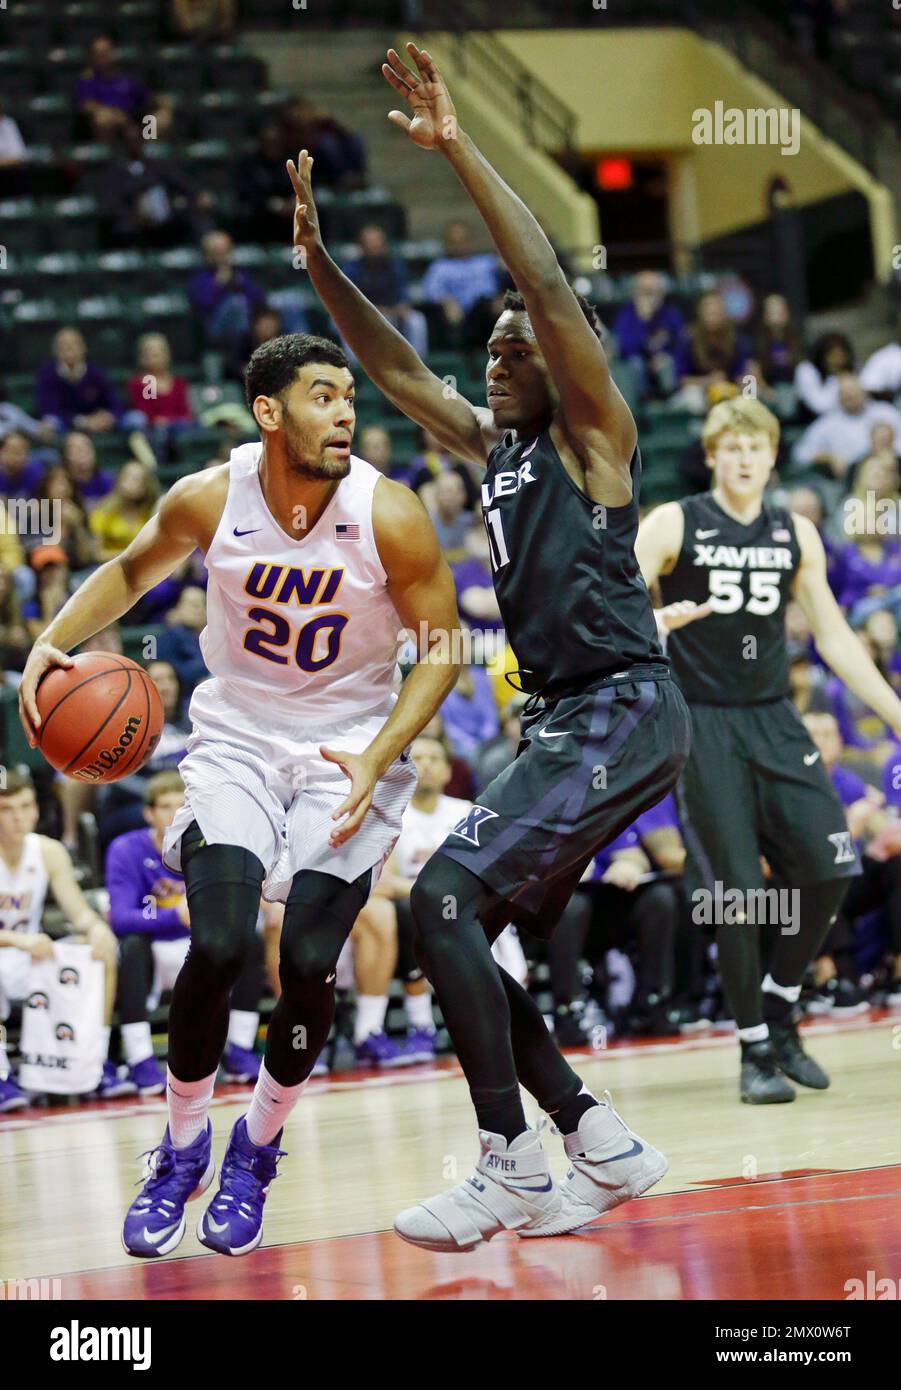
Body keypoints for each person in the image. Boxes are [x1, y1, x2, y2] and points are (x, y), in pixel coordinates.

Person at [293, 42, 710, 1252]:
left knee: (441, 897)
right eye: (494, 344)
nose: (499, 350)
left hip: (623, 707)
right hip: (566, 722)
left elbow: (547, 285)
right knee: (460, 924)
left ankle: (510, 1161)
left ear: (561, 352)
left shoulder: (594, 439)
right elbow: (395, 367)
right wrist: (321, 268)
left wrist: (455, 145)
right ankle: (595, 1140)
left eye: (518, 341)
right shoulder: (497, 446)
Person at [18, 330, 461, 1259]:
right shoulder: (211, 497)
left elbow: (445, 647)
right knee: (217, 943)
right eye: (322, 395)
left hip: (350, 752)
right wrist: (51, 642)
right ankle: (181, 1151)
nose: (345, 411)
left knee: (304, 962)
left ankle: (255, 1147)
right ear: (269, 411)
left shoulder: (391, 514)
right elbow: (132, 571)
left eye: (349, 396)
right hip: (238, 745)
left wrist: (385, 751)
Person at [636, 396, 901, 1104]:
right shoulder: (674, 521)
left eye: (757, 448)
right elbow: (613, 594)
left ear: (772, 457)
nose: (745, 458)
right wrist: (652, 621)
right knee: (738, 895)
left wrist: (894, 712)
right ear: (714, 454)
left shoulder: (796, 532)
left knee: (831, 863)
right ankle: (753, 1049)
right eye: (732, 448)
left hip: (775, 715)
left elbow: (835, 638)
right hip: (702, 720)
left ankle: (780, 1003)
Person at [349, 733, 527, 1066]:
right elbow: (384, 884)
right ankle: (421, 1025)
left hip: (467, 906)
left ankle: (511, 1014)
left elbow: (490, 871)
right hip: (416, 912)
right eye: (418, 758)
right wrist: (433, 891)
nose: (427, 766)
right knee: (411, 910)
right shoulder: (388, 814)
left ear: (448, 771)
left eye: (435, 759)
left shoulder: (469, 812)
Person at [106, 772, 265, 1094]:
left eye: (183, 807)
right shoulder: (127, 849)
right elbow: (121, 918)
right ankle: (140, 1059)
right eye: (166, 806)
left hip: (205, 945)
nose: (175, 815)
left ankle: (240, 1050)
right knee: (131, 947)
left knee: (251, 941)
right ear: (149, 813)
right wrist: (174, 916)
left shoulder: (215, 846)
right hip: (155, 951)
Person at [0, 771, 121, 1112]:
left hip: (30, 959)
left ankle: (94, 1062)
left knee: (103, 952)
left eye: (25, 807)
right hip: (12, 949)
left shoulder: (49, 851)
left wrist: (95, 929)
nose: (18, 816)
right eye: (7, 809)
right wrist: (17, 940)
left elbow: (78, 911)